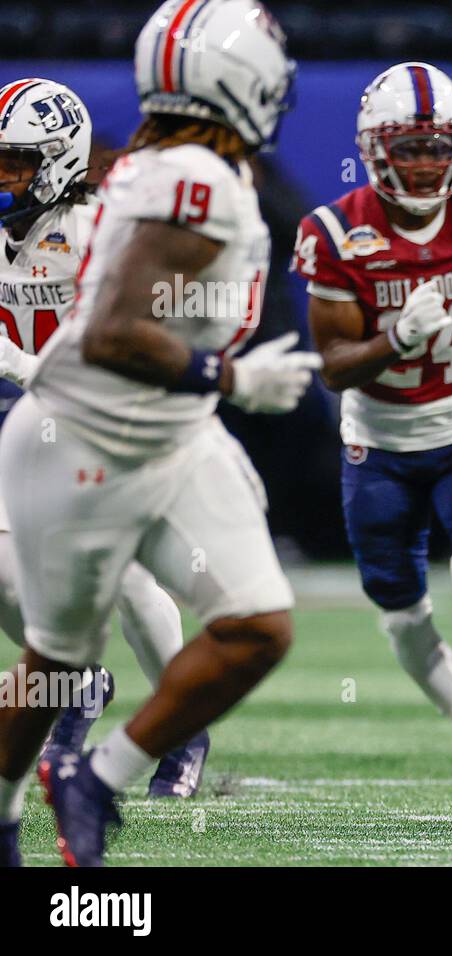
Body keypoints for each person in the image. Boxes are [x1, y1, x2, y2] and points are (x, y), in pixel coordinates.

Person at [0, 0, 317, 867]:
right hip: (91, 435)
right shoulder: (189, 179)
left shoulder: (163, 166)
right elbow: (110, 335)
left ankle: (99, 775)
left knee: (256, 624)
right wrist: (231, 376)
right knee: (56, 664)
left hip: (167, 431)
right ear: (237, 80)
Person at [293, 63, 452, 780]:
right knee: (398, 605)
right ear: (376, 150)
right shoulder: (336, 231)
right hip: (379, 440)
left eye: (440, 147)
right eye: (411, 148)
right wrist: (395, 338)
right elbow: (335, 366)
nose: (429, 164)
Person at [0, 78, 218, 813]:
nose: (3, 178)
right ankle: (77, 682)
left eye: (15, 163)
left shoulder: (102, 230)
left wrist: (28, 365)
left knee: (125, 581)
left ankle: (183, 728)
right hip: (23, 428)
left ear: (58, 160)